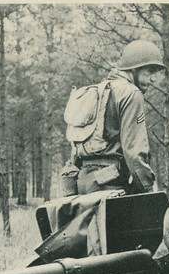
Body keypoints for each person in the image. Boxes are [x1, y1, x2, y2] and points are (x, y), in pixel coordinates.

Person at [61, 40, 163, 196]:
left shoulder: (97, 92)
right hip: (111, 186)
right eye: (149, 72)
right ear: (133, 69)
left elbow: (76, 149)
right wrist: (148, 188)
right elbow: (134, 152)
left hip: (81, 184)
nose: (153, 79)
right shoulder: (131, 93)